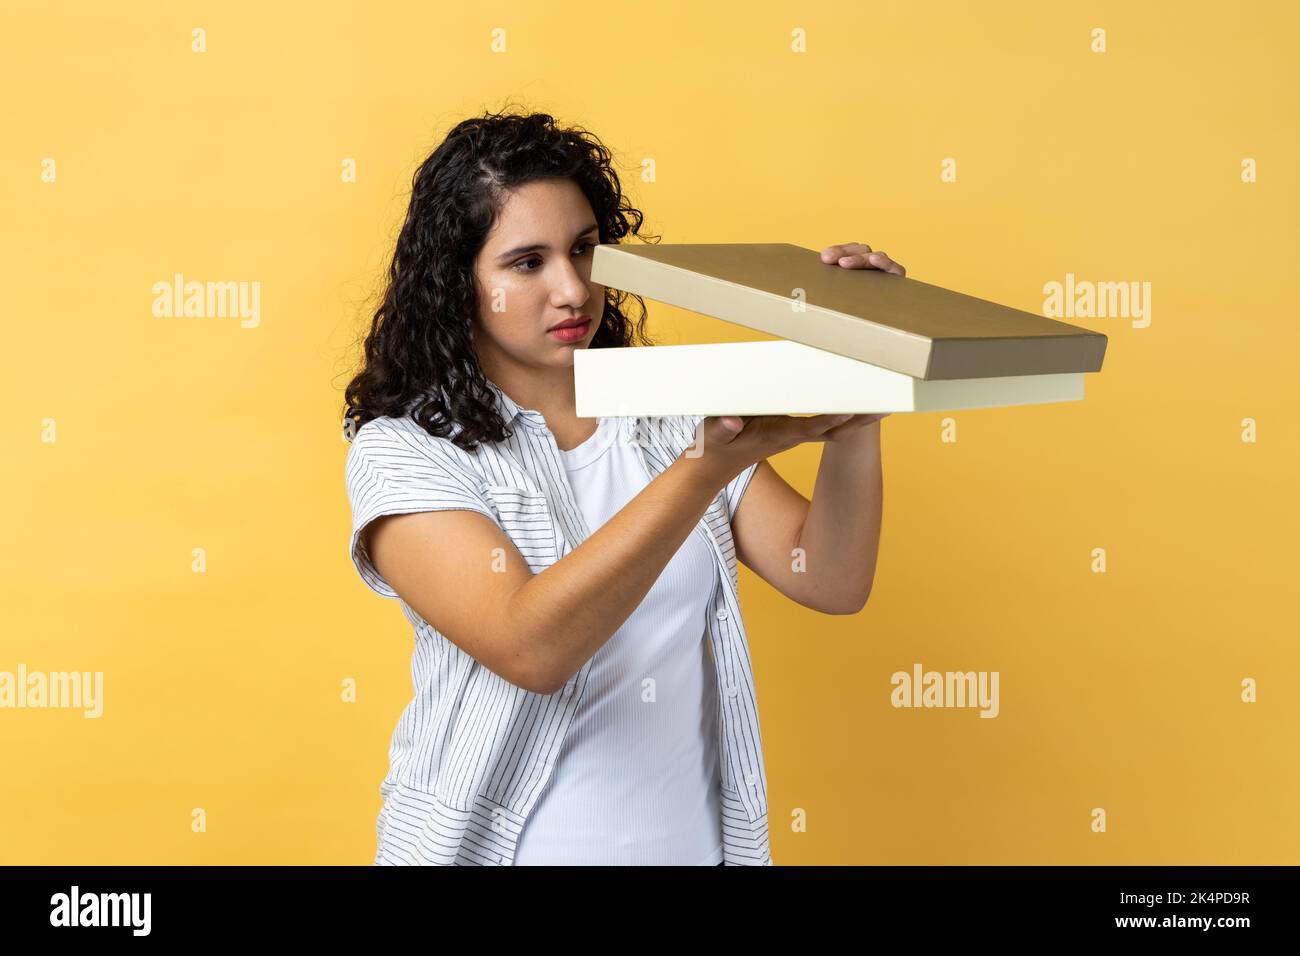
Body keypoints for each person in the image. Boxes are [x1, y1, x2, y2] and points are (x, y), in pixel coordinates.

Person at [342, 107, 900, 866]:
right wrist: (702, 471)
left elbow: (829, 577)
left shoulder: (669, 414)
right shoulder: (407, 450)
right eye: (527, 263)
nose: (572, 289)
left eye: (584, 251)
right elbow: (531, 647)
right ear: (457, 283)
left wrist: (858, 402)